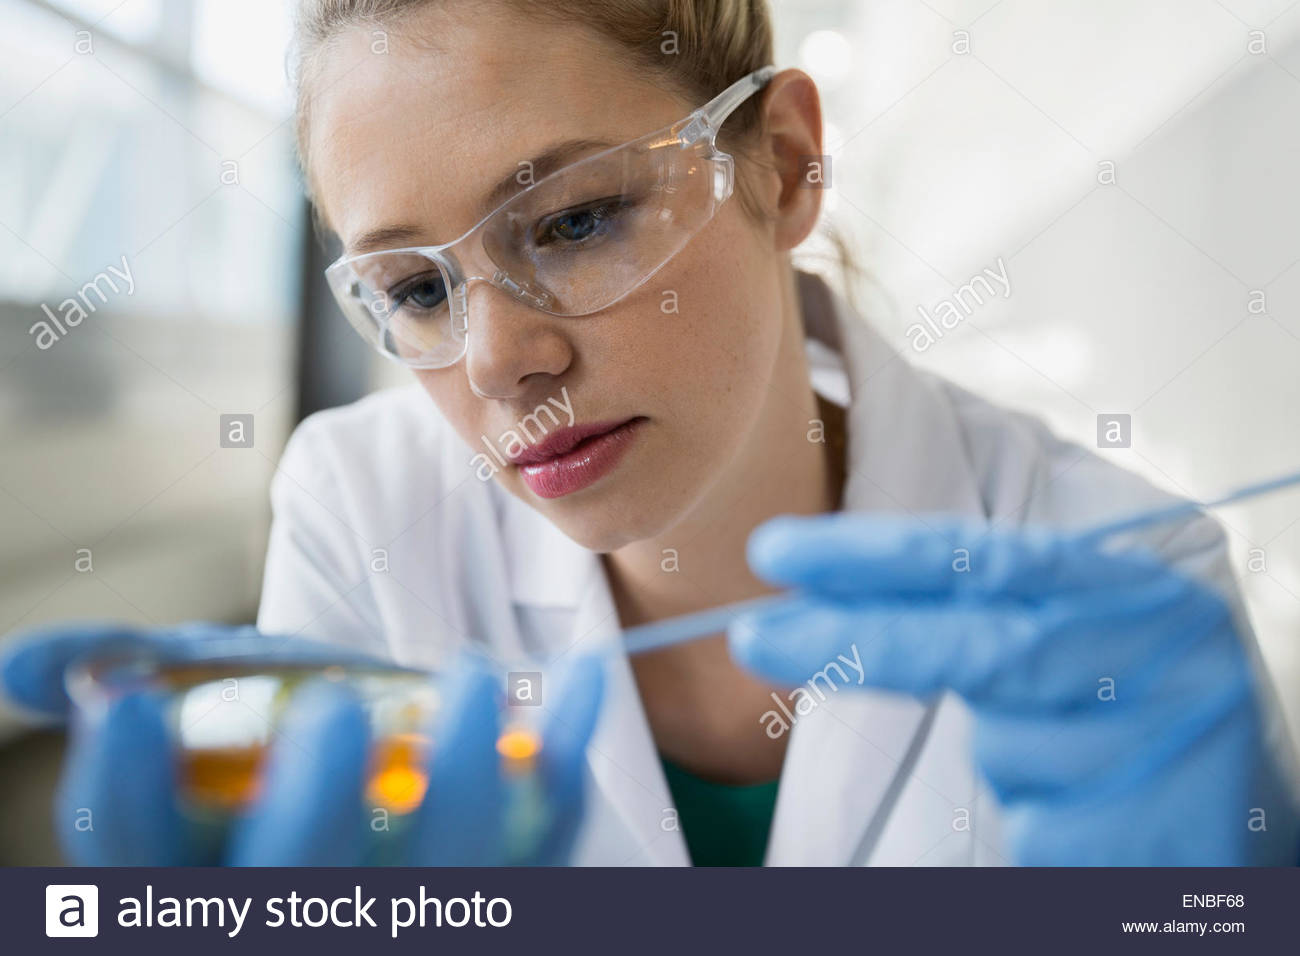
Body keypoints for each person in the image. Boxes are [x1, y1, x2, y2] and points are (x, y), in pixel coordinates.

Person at [4, 0, 1299, 866]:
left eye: (575, 219)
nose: (504, 359)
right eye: (413, 288)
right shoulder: (360, 508)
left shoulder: (1119, 582)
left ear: (785, 167)